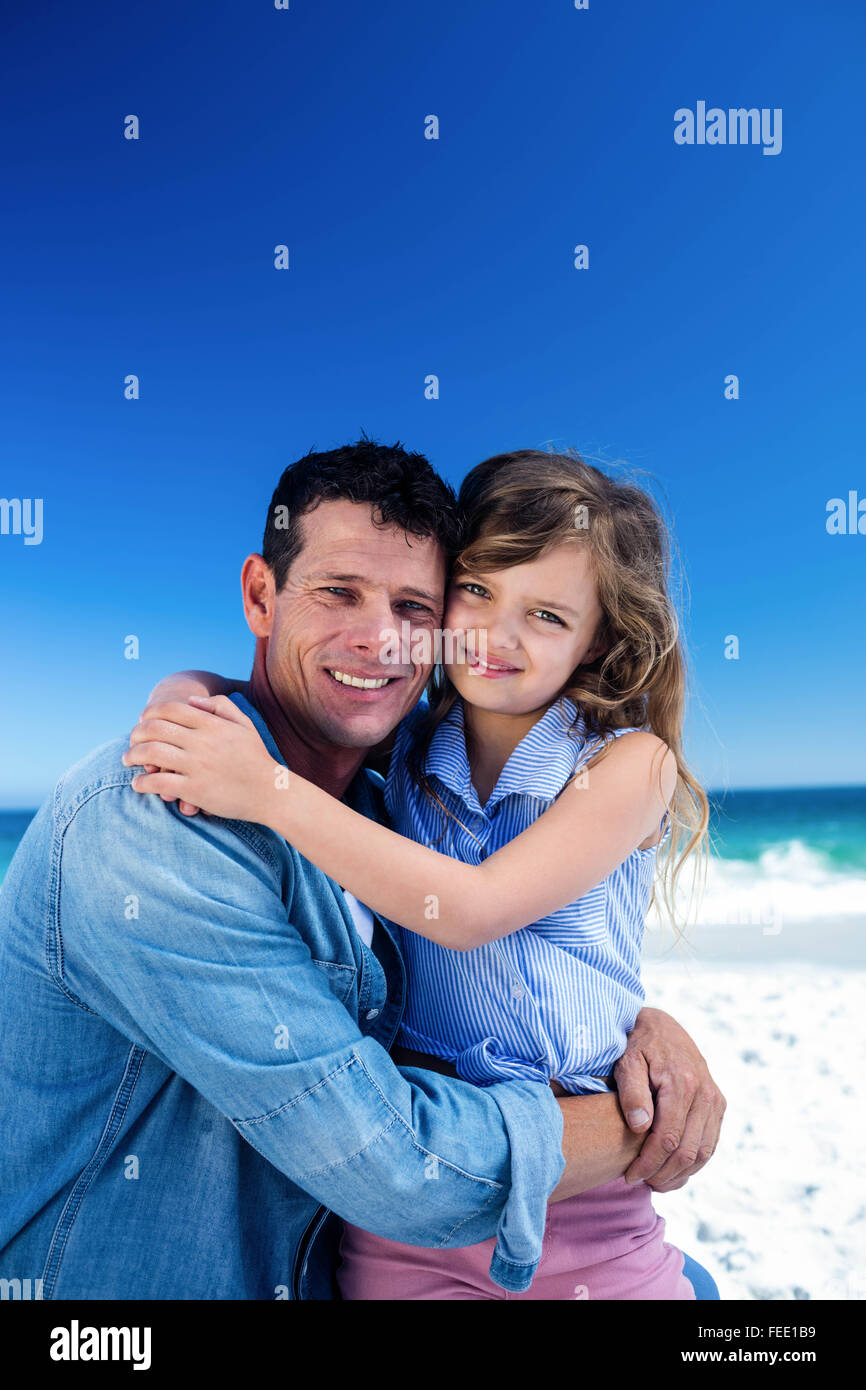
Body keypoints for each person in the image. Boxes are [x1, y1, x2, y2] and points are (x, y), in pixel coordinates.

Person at [0, 440, 723, 1300]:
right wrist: (636, 1125)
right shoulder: (165, 821)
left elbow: (500, 920)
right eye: (338, 590)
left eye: (415, 605)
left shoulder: (383, 792)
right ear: (260, 597)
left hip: (477, 1236)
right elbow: (405, 1173)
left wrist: (644, 1028)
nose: (380, 639)